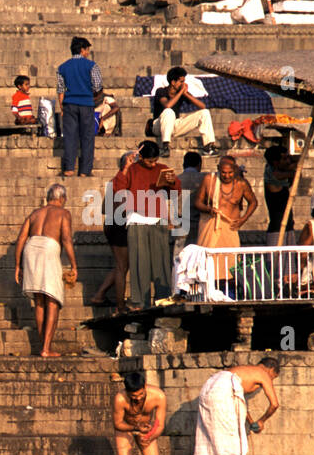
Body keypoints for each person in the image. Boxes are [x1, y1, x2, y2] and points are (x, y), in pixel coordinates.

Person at [192, 356, 281, 455]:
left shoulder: (242, 370)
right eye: (273, 378)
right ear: (271, 369)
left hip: (208, 388)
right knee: (234, 440)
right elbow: (274, 404)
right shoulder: (263, 373)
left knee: (213, 440)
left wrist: (251, 422)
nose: (270, 381)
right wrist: (262, 420)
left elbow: (239, 401)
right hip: (222, 393)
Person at [14, 184, 77, 357]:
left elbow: (21, 239)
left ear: (48, 197)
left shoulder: (35, 213)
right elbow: (66, 239)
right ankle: (45, 349)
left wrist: (18, 265)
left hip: (30, 248)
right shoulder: (64, 213)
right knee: (53, 300)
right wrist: (73, 265)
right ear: (62, 198)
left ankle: (44, 345)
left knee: (39, 300)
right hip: (49, 248)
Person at [113, 141, 178, 309]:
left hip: (158, 220)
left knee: (161, 264)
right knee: (139, 264)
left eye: (155, 160)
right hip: (137, 221)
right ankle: (140, 303)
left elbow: (176, 192)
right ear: (140, 157)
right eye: (150, 161)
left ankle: (163, 301)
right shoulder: (131, 170)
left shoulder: (162, 169)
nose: (153, 164)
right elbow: (117, 190)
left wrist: (172, 181)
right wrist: (125, 168)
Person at [195, 156, 258, 288]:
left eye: (230, 172)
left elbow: (253, 202)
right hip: (211, 226)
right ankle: (209, 292)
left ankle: (229, 294)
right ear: (218, 169)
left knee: (231, 264)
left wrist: (243, 219)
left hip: (230, 228)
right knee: (208, 262)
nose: (227, 175)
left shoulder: (241, 184)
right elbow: (197, 202)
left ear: (235, 170)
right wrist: (208, 209)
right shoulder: (209, 180)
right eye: (223, 172)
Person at [90, 154, 134, 308]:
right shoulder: (122, 182)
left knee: (122, 265)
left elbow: (103, 208)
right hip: (119, 225)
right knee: (122, 267)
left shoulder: (114, 182)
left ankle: (99, 295)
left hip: (111, 224)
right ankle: (120, 306)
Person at [56, 36, 103, 177]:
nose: (88, 52)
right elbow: (97, 85)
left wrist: (62, 108)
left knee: (70, 136)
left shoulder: (62, 67)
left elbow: (60, 89)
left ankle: (69, 168)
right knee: (87, 137)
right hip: (86, 104)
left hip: (69, 104)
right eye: (87, 49)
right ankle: (84, 170)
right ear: (82, 50)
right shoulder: (91, 65)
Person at [151, 67, 218, 159]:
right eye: (181, 81)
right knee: (169, 112)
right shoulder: (161, 91)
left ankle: (208, 147)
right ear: (173, 82)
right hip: (159, 126)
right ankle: (165, 146)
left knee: (204, 113)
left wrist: (185, 94)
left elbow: (202, 106)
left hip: (174, 126)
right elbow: (167, 105)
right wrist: (181, 92)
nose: (184, 84)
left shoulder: (181, 92)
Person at [262, 145, 298, 237]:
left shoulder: (280, 172)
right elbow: (289, 174)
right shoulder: (271, 173)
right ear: (276, 163)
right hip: (278, 230)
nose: (288, 161)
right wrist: (294, 171)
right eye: (285, 159)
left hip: (288, 227)